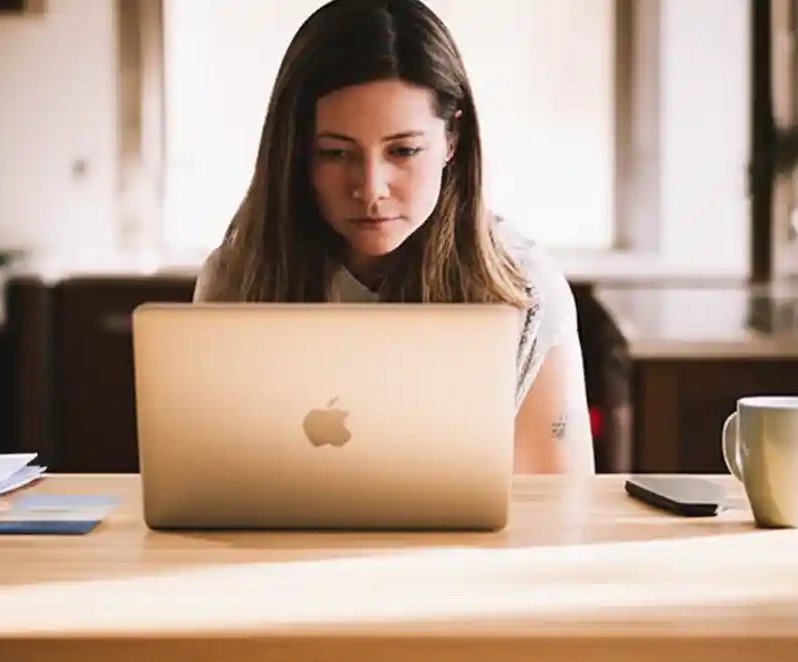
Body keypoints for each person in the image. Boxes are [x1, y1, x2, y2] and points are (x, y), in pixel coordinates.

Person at [193, 0, 594, 475]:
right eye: (335, 154)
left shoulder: (523, 287)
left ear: (451, 141)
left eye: (403, 150)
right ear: (296, 152)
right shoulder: (237, 277)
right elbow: (213, 478)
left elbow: (561, 503)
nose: (370, 189)